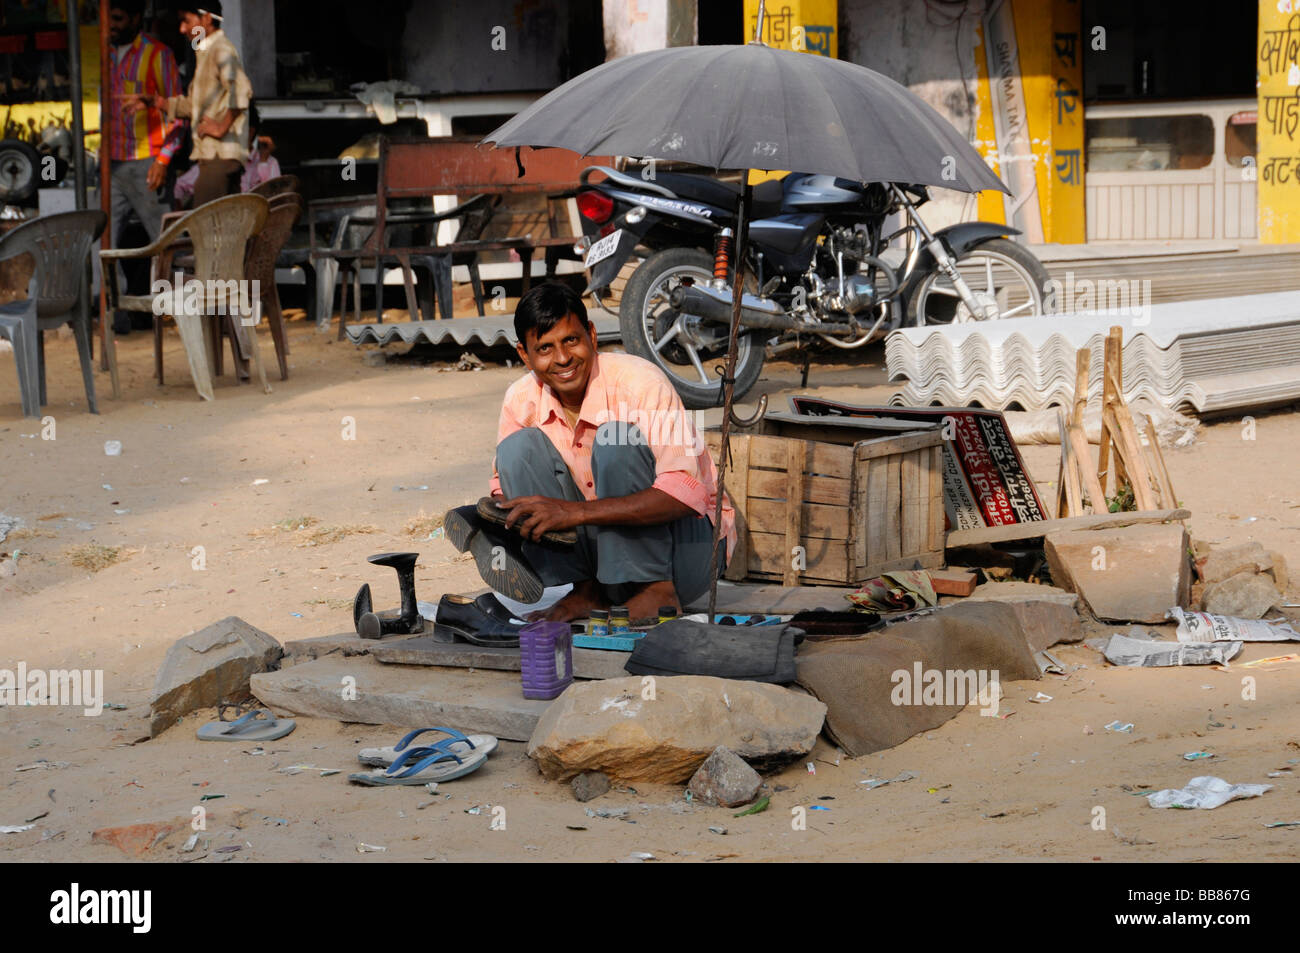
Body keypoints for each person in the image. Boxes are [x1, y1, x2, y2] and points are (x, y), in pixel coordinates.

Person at [443, 282, 736, 623]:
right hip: (601, 561)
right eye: (545, 348)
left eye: (571, 340)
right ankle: (586, 590)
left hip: (687, 556)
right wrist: (505, 513)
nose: (563, 358)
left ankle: (656, 590)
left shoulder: (641, 383)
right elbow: (507, 482)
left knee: (615, 440)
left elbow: (685, 497)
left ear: (592, 336)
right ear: (525, 355)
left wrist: (574, 513)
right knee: (516, 451)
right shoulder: (520, 399)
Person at [126, 1, 251, 208]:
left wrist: (220, 127)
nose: (182, 29)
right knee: (224, 226)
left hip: (219, 155)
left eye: (187, 21)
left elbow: (242, 90)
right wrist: (158, 102)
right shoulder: (205, 52)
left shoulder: (220, 50)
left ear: (207, 19)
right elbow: (193, 105)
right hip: (214, 156)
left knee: (206, 223)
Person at [106, 0, 184, 334]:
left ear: (136, 18)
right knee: (106, 244)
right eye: (110, 17)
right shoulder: (102, 54)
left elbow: (177, 113)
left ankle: (180, 314)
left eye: (119, 17)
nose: (112, 24)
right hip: (111, 163)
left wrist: (164, 158)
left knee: (165, 242)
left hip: (147, 160)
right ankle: (116, 316)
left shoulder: (158, 55)